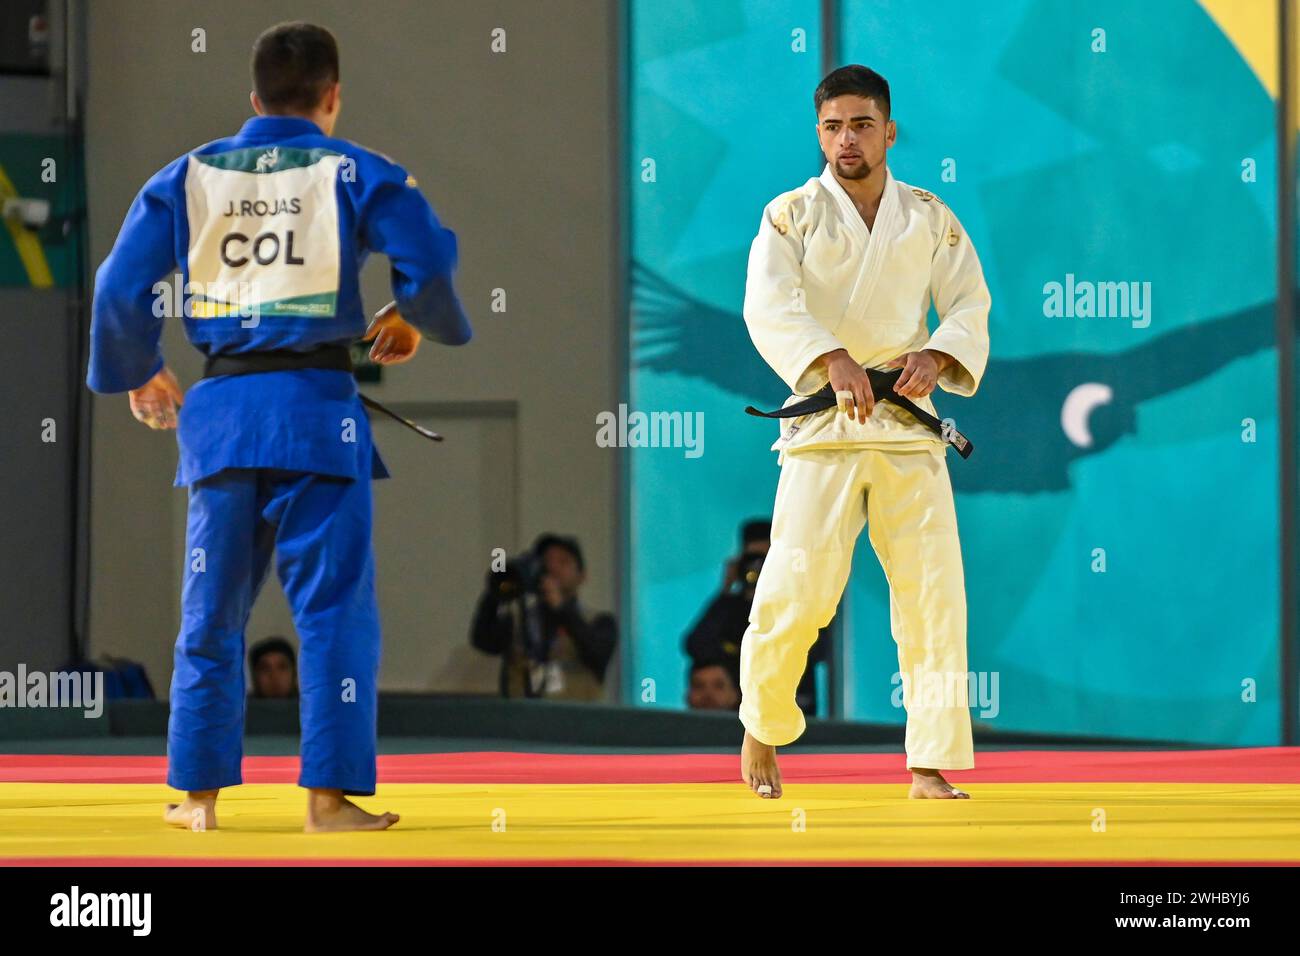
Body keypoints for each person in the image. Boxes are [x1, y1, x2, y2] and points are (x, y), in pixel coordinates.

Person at [86, 22, 471, 831]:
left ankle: (197, 798)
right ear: (333, 96)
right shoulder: (355, 169)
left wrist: (139, 368)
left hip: (222, 418)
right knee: (333, 616)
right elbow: (431, 262)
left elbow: (119, 285)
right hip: (316, 416)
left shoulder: (187, 175)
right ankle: (328, 801)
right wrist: (412, 315)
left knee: (210, 615)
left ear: (255, 100)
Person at [738, 65, 990, 801]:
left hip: (907, 428)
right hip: (825, 425)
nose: (846, 139)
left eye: (860, 125)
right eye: (832, 127)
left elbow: (969, 302)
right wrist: (829, 357)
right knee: (797, 586)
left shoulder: (929, 215)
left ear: (889, 131)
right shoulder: (790, 214)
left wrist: (938, 354)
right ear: (820, 134)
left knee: (934, 595)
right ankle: (762, 724)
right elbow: (768, 306)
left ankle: (929, 763)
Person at [683, 518, 828, 712]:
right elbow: (696, 646)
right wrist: (726, 590)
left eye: (766, 561)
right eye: (752, 560)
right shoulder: (729, 609)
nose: (758, 567)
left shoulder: (798, 609)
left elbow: (819, 650)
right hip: (738, 721)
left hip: (791, 719)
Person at [470, 534, 618, 700]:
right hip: (523, 714)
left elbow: (596, 653)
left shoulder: (599, 621)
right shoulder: (521, 619)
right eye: (546, 561)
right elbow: (483, 641)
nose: (553, 568)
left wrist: (561, 608)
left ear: (582, 576)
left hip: (577, 714)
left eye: (563, 562)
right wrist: (498, 590)